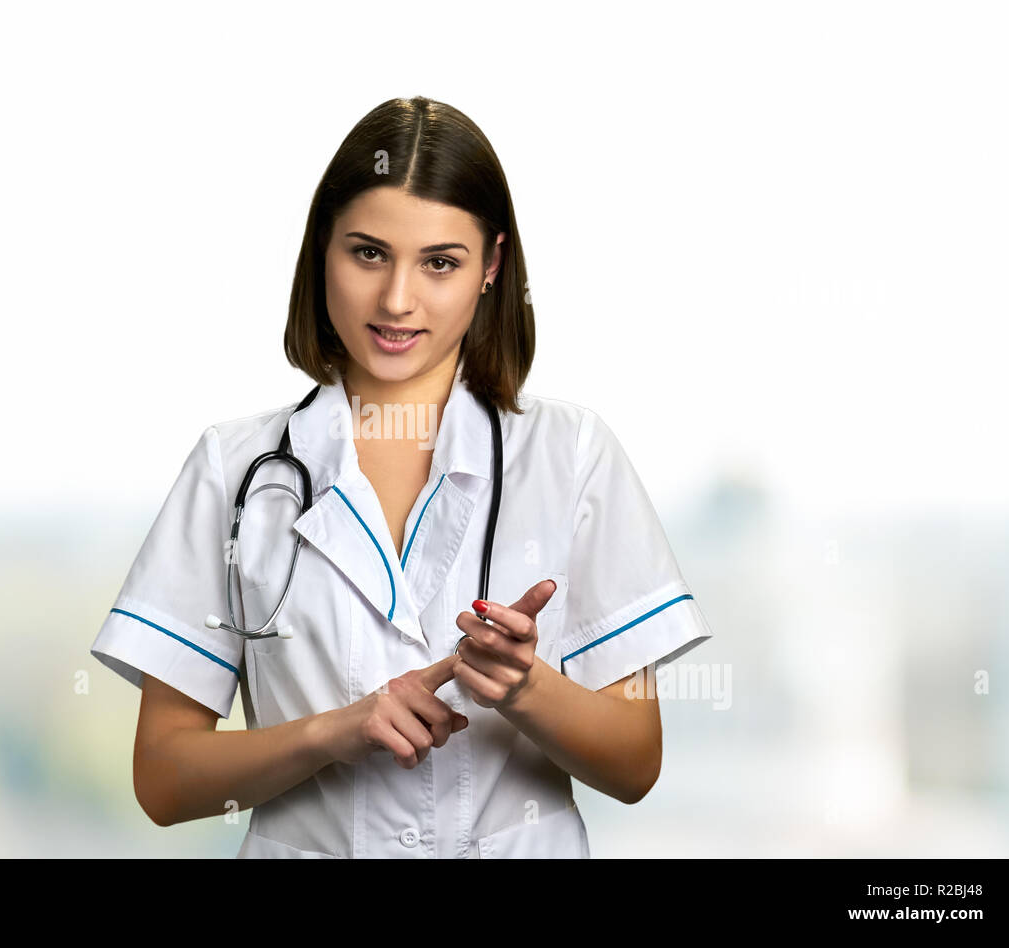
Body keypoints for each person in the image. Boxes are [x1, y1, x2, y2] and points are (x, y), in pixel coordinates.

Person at [90, 96, 714, 858]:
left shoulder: (572, 454)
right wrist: (333, 731)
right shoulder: (234, 470)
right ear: (322, 249)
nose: (396, 300)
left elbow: (634, 765)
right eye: (368, 253)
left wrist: (525, 687)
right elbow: (163, 778)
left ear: (491, 266)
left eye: (440, 263)